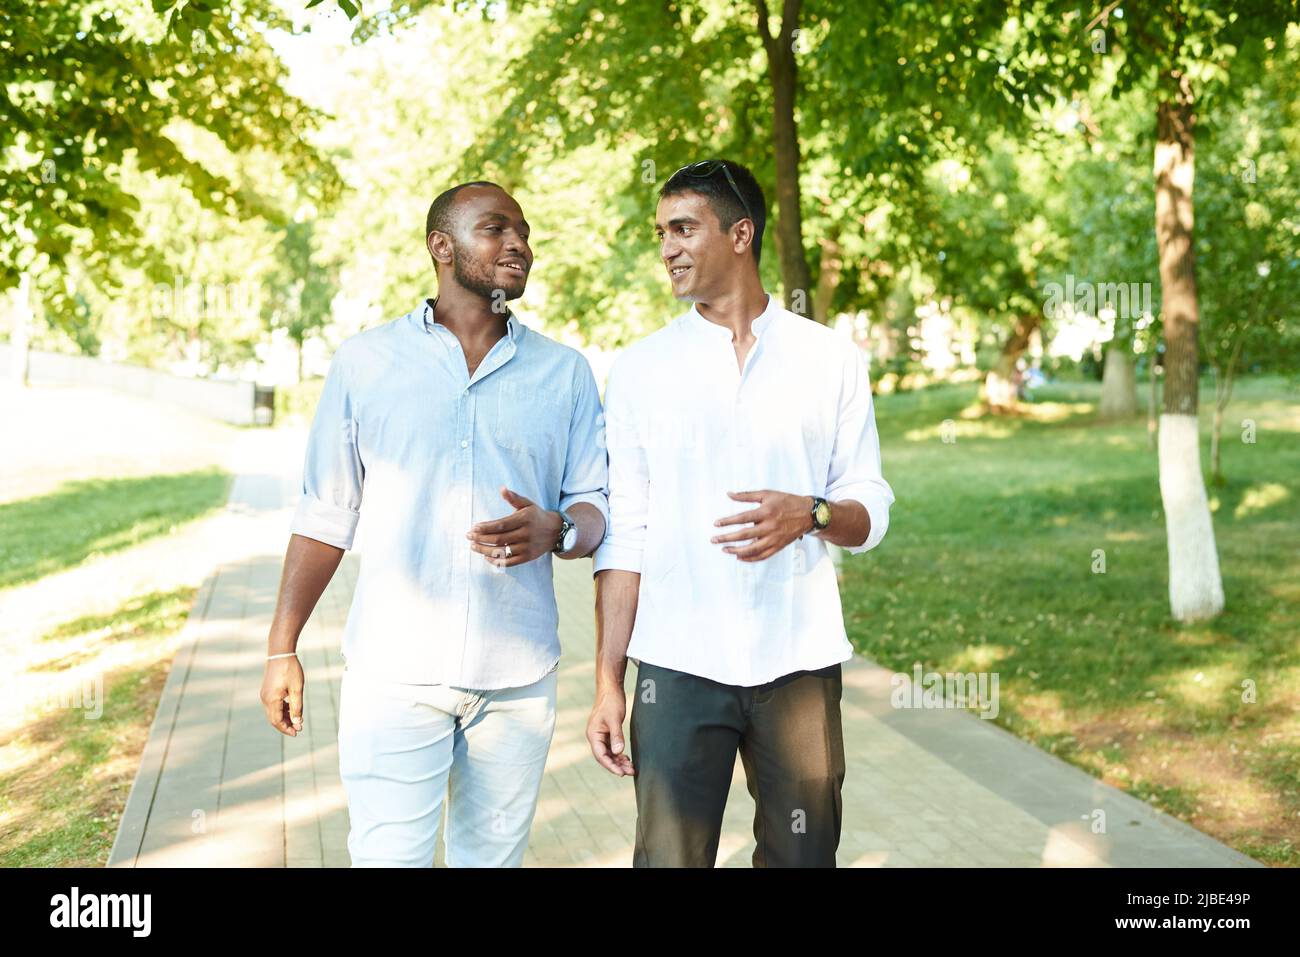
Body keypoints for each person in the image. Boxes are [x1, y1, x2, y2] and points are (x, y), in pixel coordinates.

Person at [260, 181, 609, 867]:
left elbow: (596, 508)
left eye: (524, 231)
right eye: (496, 228)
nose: (518, 244)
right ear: (441, 246)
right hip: (394, 672)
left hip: (517, 677)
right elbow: (326, 513)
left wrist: (560, 530)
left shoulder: (565, 373)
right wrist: (282, 648)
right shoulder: (365, 362)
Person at [586, 159, 894, 867]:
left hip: (798, 662)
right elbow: (625, 535)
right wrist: (608, 682)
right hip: (677, 663)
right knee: (669, 859)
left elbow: (870, 508)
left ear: (741, 234)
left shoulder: (829, 358)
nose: (667, 248)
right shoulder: (639, 370)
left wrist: (812, 513)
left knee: (804, 857)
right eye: (662, 233)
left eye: (683, 229)